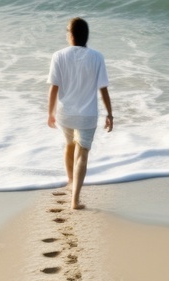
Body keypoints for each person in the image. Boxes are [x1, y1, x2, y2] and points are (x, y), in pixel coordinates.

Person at [47, 17, 113, 210]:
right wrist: (110, 114)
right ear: (86, 36)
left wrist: (50, 112)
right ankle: (75, 199)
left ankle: (70, 181)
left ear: (71, 34)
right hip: (87, 115)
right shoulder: (97, 57)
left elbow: (54, 88)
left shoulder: (58, 55)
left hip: (65, 113)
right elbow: (103, 88)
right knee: (82, 153)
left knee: (69, 145)